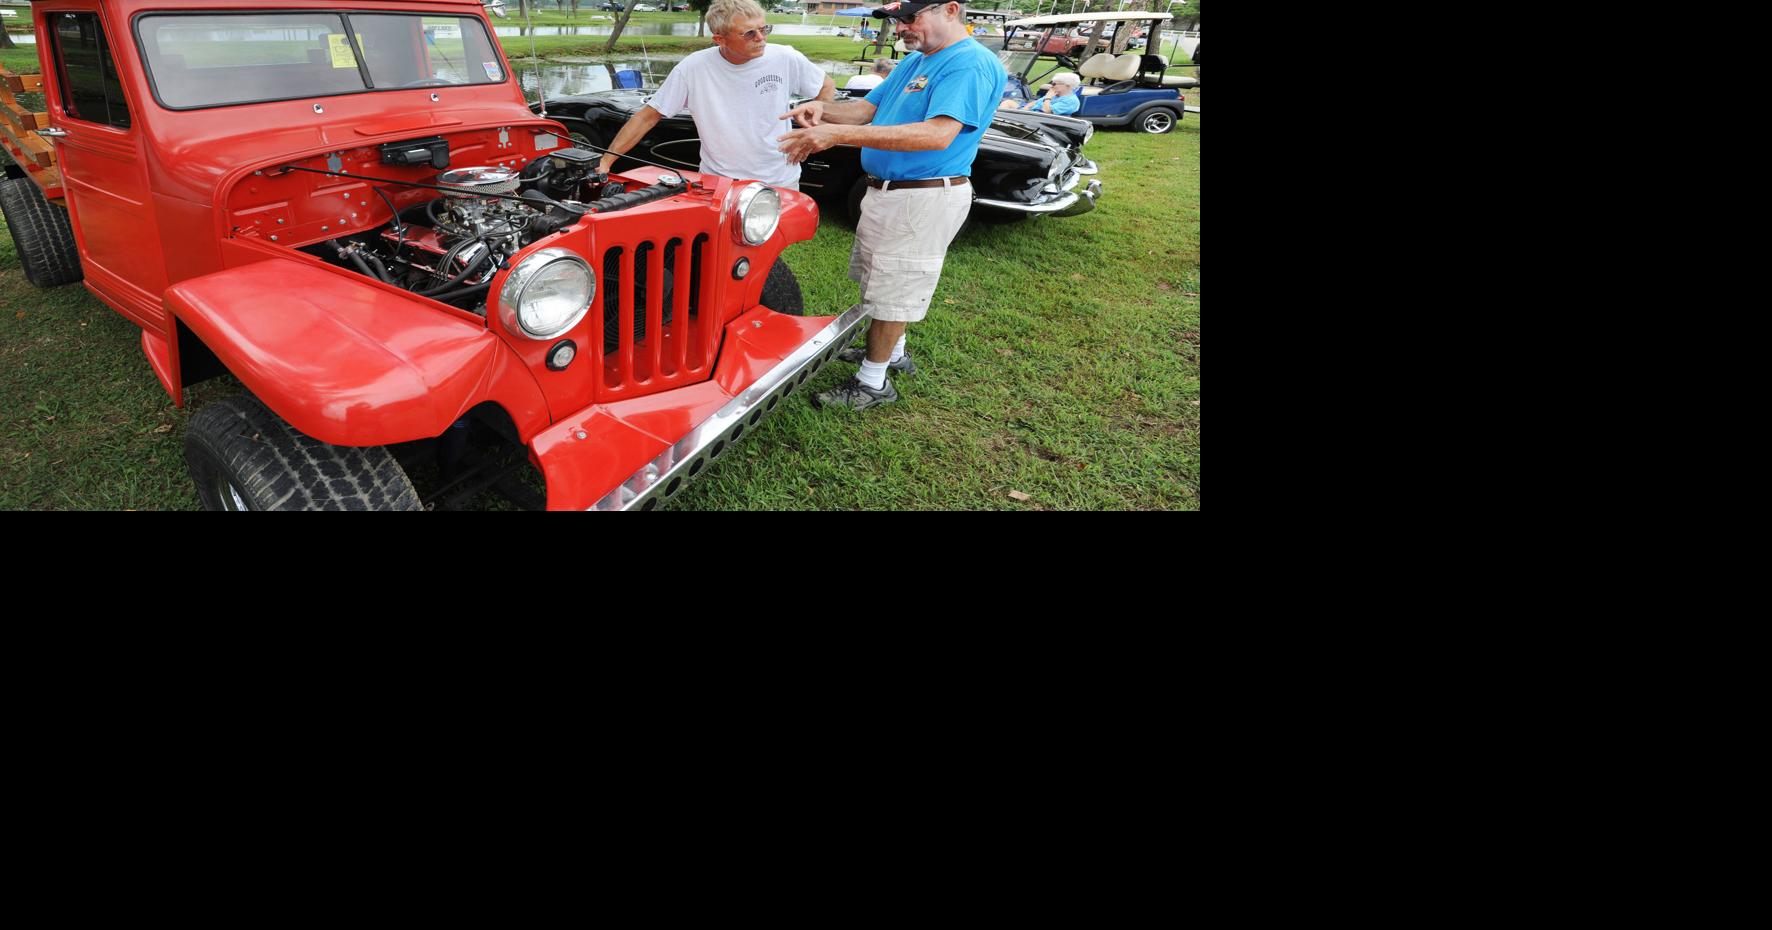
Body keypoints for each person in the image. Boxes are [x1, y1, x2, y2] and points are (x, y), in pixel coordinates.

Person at [777, 0, 1005, 411]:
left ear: (950, 10)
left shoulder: (968, 64)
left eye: (909, 17)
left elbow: (937, 135)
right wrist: (823, 109)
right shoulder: (919, 61)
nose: (900, 28)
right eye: (896, 20)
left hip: (922, 195)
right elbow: (866, 110)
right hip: (890, 192)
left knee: (894, 287)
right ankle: (893, 354)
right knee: (881, 279)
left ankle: (872, 382)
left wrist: (837, 136)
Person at [595, 0, 835, 191]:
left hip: (780, 179)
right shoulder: (693, 68)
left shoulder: (785, 57)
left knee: (774, 252)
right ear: (720, 39)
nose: (761, 38)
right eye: (749, 33)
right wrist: (606, 161)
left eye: (764, 29)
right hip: (718, 182)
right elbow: (647, 116)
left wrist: (815, 125)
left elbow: (826, 86)